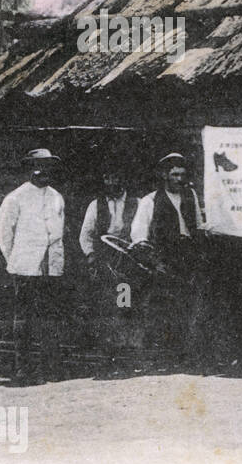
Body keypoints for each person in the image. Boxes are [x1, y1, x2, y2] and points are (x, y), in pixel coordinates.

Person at [0, 148, 66, 372]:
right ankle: (23, 367)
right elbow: (3, 233)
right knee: (24, 317)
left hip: (51, 267)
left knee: (50, 316)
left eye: (48, 167)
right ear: (30, 170)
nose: (44, 172)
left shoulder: (56, 197)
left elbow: (58, 230)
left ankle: (50, 366)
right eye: (39, 167)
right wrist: (17, 259)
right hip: (26, 267)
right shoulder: (15, 198)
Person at [131, 153, 207, 359]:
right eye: (174, 175)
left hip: (188, 255)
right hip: (165, 257)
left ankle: (185, 351)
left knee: (188, 303)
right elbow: (138, 233)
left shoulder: (190, 195)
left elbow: (199, 224)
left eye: (182, 174)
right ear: (164, 175)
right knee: (163, 305)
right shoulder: (150, 200)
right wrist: (152, 259)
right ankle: (161, 351)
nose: (179, 179)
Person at [79, 166, 140, 349]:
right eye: (108, 178)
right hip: (104, 257)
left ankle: (125, 339)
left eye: (116, 177)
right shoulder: (96, 205)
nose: (112, 182)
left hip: (128, 258)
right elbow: (86, 234)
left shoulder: (137, 203)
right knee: (105, 298)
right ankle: (106, 340)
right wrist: (90, 255)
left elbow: (143, 231)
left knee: (125, 295)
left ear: (124, 179)